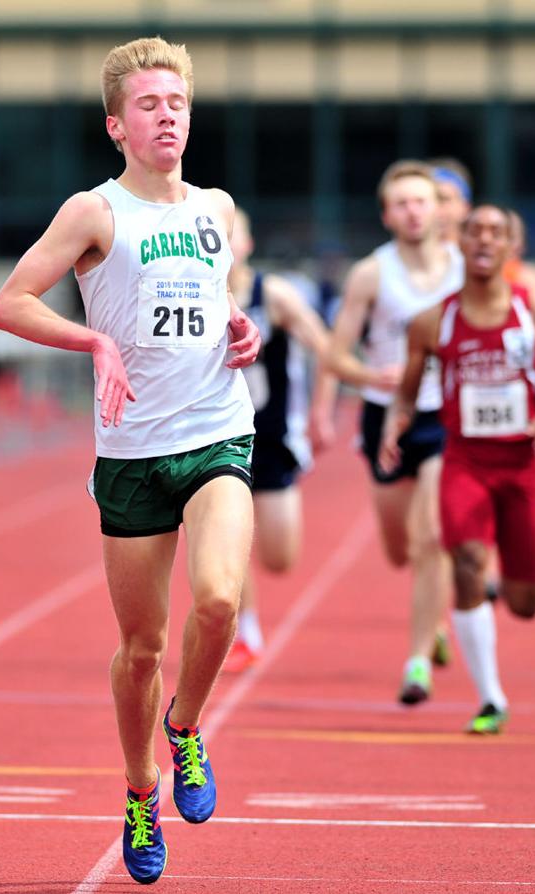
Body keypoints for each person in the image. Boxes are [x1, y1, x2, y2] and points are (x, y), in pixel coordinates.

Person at [0, 37, 261, 885]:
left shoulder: (215, 209)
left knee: (218, 601)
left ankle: (185, 730)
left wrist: (239, 326)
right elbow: (10, 304)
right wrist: (94, 340)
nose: (166, 116)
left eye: (176, 103)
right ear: (117, 125)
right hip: (134, 451)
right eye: (148, 105)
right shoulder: (93, 212)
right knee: (141, 646)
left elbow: (213, 302)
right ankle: (141, 786)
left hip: (218, 431)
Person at [381, 204, 535, 734]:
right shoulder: (433, 321)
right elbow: (406, 394)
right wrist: (392, 429)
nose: (486, 240)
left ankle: (504, 581)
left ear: (514, 245)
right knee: (466, 561)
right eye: (476, 231)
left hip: (522, 468)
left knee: (525, 603)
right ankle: (491, 697)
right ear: (459, 243)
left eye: (497, 233)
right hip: (464, 463)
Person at [312, 159, 468, 706]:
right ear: (387, 215)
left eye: (421, 200)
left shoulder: (465, 268)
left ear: (438, 208)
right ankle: (435, 619)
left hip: (445, 416)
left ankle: (418, 660)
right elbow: (335, 353)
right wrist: (366, 374)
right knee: (399, 549)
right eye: (401, 203)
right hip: (385, 417)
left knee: (431, 538)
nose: (413, 211)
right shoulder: (371, 274)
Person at [224, 207, 387, 673]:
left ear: (248, 245)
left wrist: (321, 409)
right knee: (223, 541)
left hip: (272, 436)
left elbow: (328, 349)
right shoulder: (191, 294)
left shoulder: (273, 295)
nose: (223, 245)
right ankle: (245, 631)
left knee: (278, 557)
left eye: (232, 236)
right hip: (214, 436)